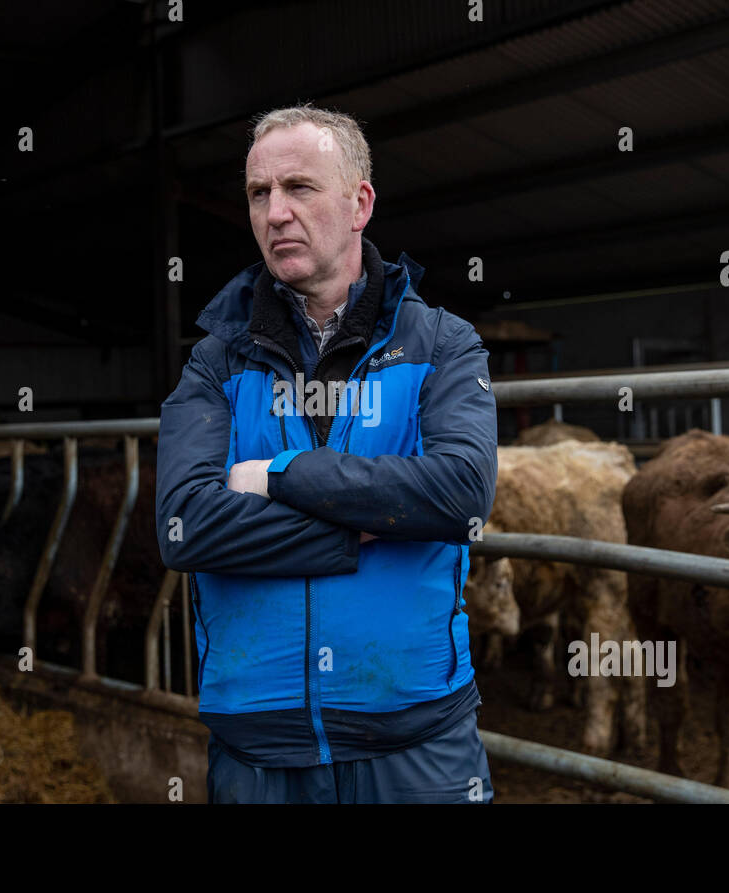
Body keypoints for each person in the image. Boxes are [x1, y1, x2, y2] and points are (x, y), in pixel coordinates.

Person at [155, 104, 499, 803]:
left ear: (359, 201)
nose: (275, 212)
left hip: (415, 741)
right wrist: (363, 527)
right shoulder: (215, 361)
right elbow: (184, 524)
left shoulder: (441, 344)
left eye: (299, 188)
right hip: (261, 751)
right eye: (259, 193)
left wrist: (278, 475)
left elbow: (460, 492)